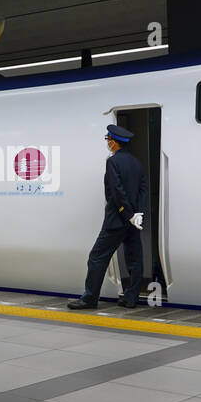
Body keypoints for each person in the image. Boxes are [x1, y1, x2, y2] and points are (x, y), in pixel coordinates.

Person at [68, 124, 149, 310]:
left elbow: (116, 191)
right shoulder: (136, 162)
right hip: (133, 221)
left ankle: (89, 299)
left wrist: (127, 214)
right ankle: (130, 299)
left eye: (107, 140)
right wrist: (138, 214)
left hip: (117, 220)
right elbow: (143, 189)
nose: (107, 143)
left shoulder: (113, 162)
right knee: (134, 258)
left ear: (113, 142)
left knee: (96, 257)